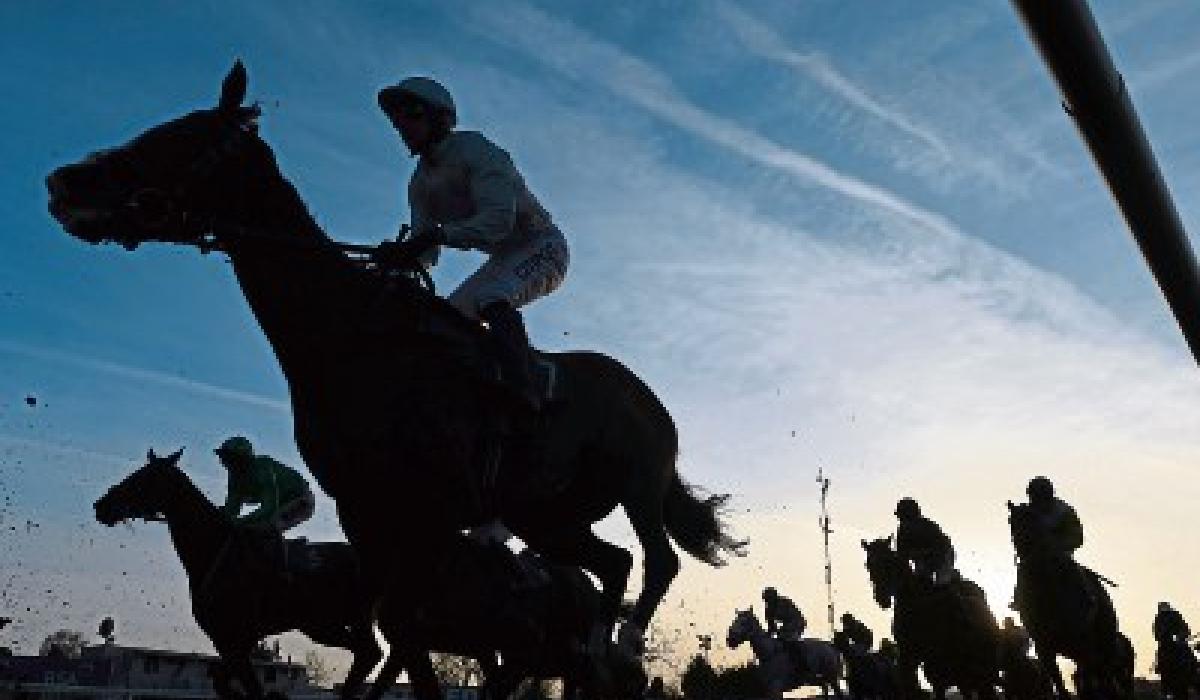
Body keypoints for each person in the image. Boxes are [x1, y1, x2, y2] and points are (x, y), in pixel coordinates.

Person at [375, 77, 570, 410]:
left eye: (412, 113)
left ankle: (526, 392)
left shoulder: (475, 150)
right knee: (445, 321)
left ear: (441, 118)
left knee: (490, 296)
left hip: (544, 246)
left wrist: (436, 235)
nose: (402, 125)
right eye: (397, 119)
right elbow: (427, 255)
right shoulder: (419, 184)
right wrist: (395, 264)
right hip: (505, 258)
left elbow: (496, 224)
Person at [216, 436, 315, 574]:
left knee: (270, 525)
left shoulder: (263, 469)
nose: (224, 463)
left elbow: (269, 508)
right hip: (280, 503)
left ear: (242, 459)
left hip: (300, 499)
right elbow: (231, 511)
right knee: (250, 529)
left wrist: (240, 521)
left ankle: (289, 564)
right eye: (224, 459)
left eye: (228, 459)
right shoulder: (235, 479)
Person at [894, 498, 956, 586]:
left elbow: (941, 548)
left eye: (904, 516)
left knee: (942, 583)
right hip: (923, 561)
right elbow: (901, 555)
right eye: (901, 517)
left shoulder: (928, 526)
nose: (902, 520)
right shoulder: (902, 532)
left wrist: (921, 554)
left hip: (943, 556)